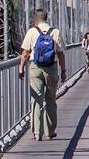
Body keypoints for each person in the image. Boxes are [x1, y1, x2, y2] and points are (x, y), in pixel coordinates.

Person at [18, 9, 67, 140]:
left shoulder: (32, 32)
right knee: (51, 99)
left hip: (35, 67)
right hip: (51, 67)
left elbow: (25, 53)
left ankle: (36, 133)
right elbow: (61, 53)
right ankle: (50, 132)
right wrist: (63, 71)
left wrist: (21, 69)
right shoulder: (55, 32)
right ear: (47, 18)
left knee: (36, 100)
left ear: (36, 19)